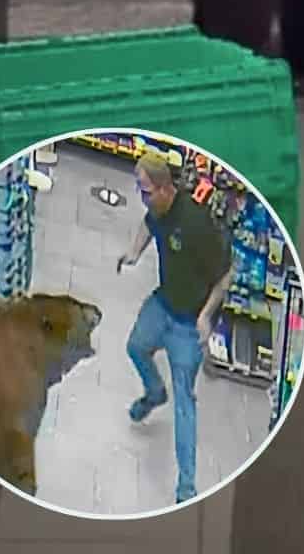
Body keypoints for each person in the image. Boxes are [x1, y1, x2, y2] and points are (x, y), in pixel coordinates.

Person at [118, 149, 233, 505]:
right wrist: (134, 252)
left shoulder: (197, 223)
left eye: (146, 191)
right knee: (136, 346)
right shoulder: (158, 210)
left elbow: (226, 275)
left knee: (186, 403)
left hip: (188, 324)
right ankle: (154, 393)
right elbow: (147, 224)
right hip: (163, 303)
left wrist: (205, 317)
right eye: (140, 191)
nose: (143, 198)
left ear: (166, 188)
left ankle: (186, 487)